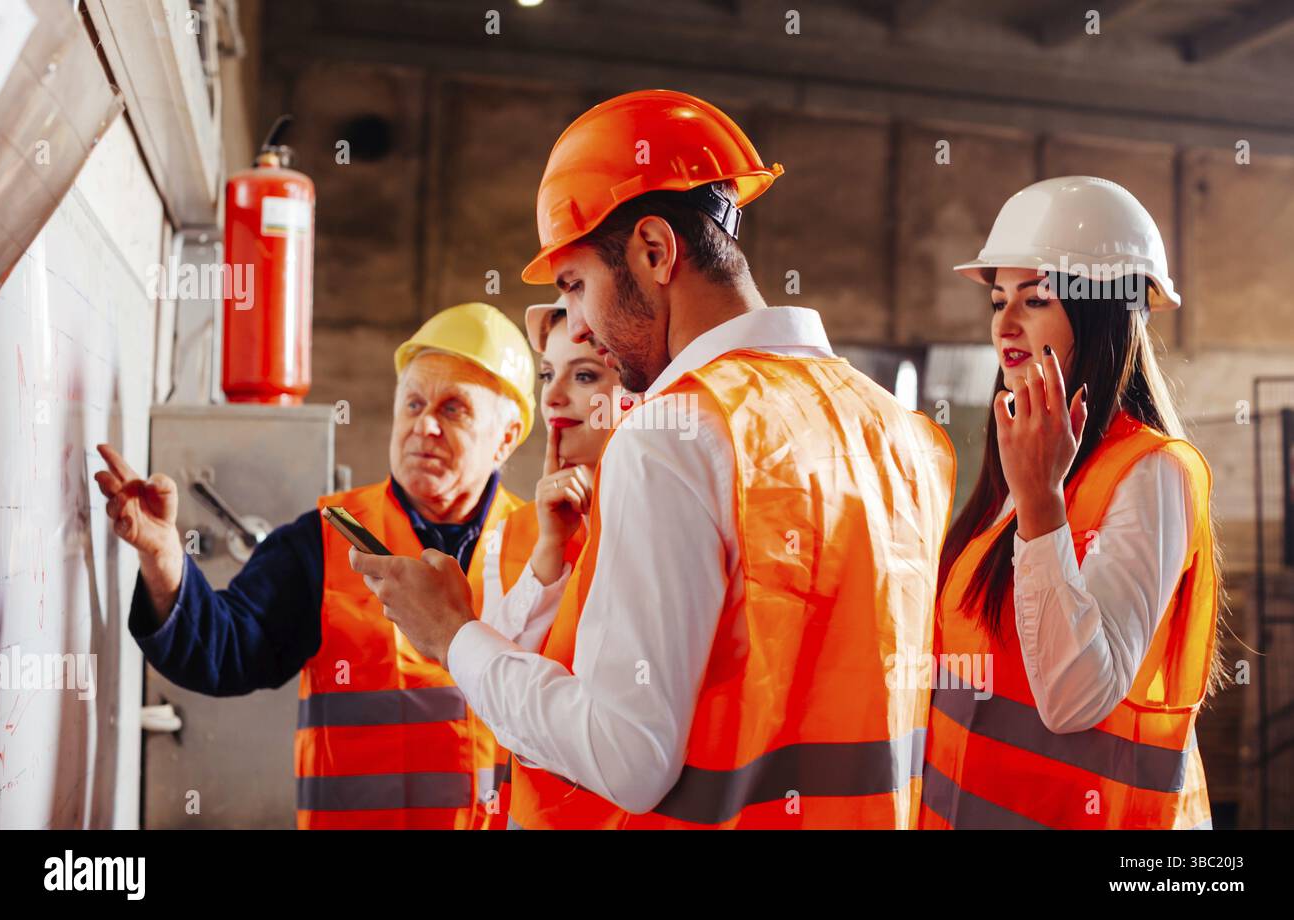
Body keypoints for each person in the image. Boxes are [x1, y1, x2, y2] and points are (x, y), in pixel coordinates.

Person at [349, 89, 957, 829]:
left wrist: (452, 634)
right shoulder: (899, 431)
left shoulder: (674, 432)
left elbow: (628, 755)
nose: (577, 325)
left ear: (655, 251)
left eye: (575, 285)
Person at [93, 302, 535, 829]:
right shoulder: (325, 540)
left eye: (453, 409)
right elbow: (225, 648)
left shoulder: (542, 553)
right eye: (413, 404)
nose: (425, 427)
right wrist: (163, 557)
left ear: (506, 437)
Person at [918, 176, 1222, 830]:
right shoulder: (1023, 462)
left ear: (1101, 311)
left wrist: (1041, 506)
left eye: (1035, 300)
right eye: (999, 300)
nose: (1004, 323)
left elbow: (1074, 699)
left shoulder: (1151, 472)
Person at [474, 297, 626, 822]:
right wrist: (549, 548)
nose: (554, 398)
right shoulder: (514, 532)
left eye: (583, 376)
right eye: (546, 375)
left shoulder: (660, 518)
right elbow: (496, 700)